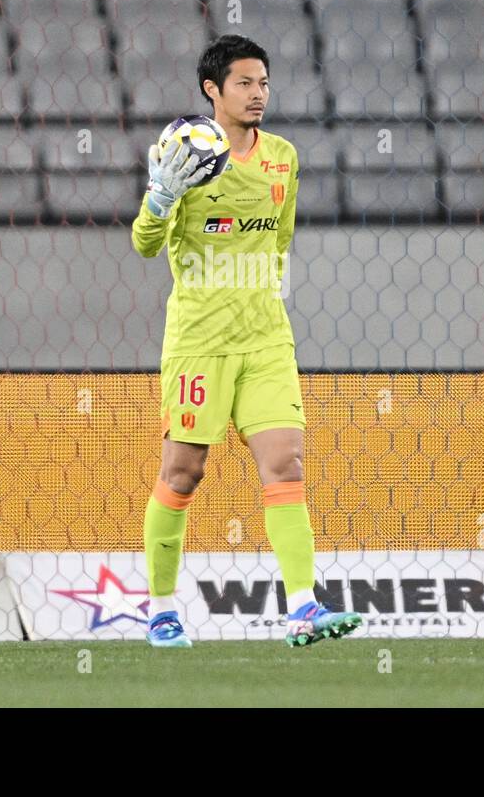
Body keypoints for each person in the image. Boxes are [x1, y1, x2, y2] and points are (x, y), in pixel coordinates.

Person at [130, 34, 362, 648]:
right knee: (183, 472)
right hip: (199, 345)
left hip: (266, 342)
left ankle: (304, 605)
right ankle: (160, 609)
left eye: (263, 83)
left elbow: (279, 240)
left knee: (285, 465)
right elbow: (146, 244)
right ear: (213, 90)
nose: (258, 94)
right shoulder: (182, 153)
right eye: (244, 84)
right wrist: (159, 200)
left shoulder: (283, 156)